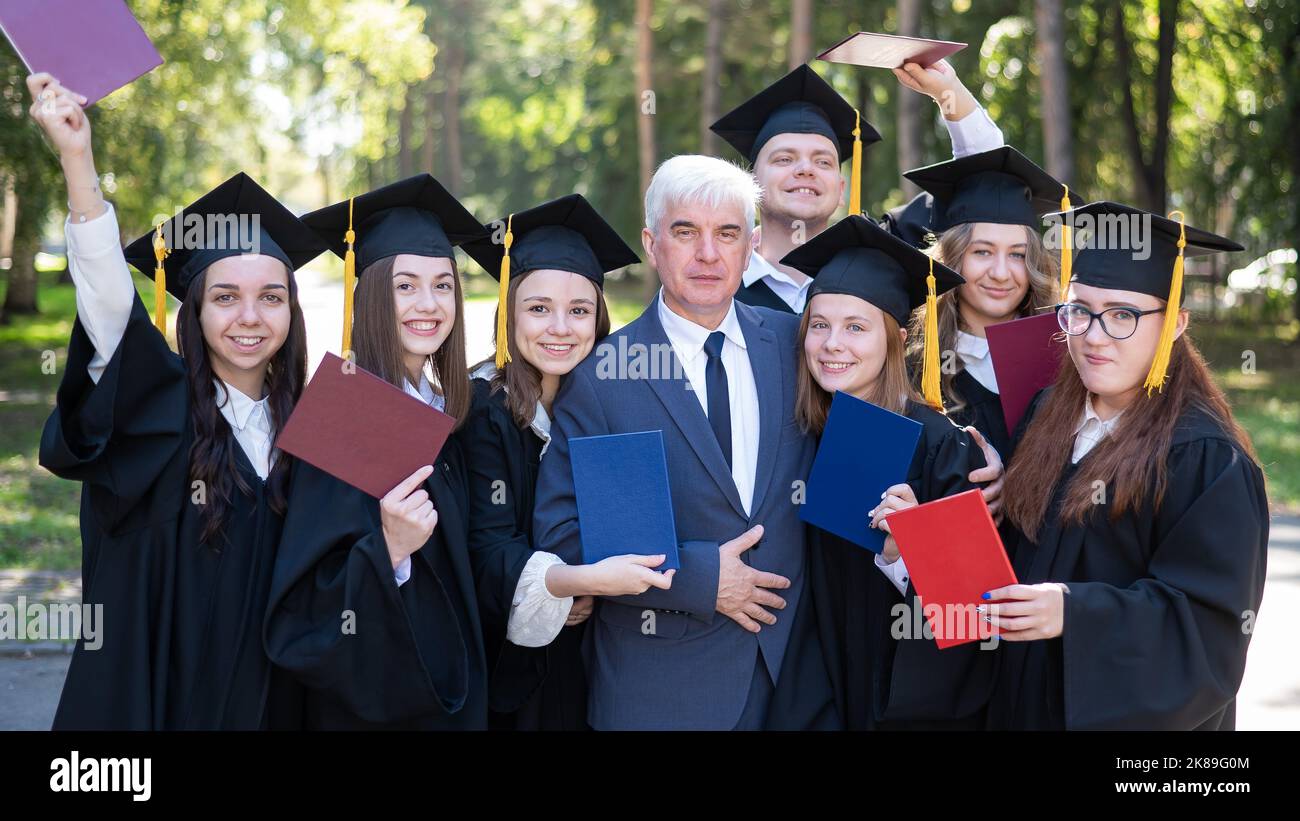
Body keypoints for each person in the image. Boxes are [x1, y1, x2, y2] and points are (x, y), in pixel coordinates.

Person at [29, 72, 324, 729]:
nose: (250, 316)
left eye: (271, 297)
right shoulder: (156, 414)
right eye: (225, 296)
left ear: (291, 310)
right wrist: (79, 161)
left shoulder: (312, 429)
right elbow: (108, 304)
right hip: (163, 706)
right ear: (192, 307)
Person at [532, 155, 837, 730]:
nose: (707, 254)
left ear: (750, 246)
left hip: (796, 682)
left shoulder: (796, 349)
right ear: (652, 243)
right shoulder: (604, 376)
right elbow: (567, 534)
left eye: (726, 234)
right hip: (663, 691)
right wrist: (699, 576)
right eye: (685, 232)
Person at [990, 202, 1269, 730]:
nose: (1094, 335)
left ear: (1176, 325)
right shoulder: (1047, 415)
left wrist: (1076, 613)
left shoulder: (1204, 458)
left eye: (1123, 315)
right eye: (1079, 310)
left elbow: (1206, 629)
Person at [265, 175, 490, 729]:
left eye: (443, 285)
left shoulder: (451, 412)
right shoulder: (341, 414)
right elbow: (303, 607)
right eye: (406, 286)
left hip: (450, 688)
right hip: (369, 703)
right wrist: (387, 550)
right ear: (368, 294)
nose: (429, 304)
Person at [460, 194, 674, 730]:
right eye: (538, 309)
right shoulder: (480, 409)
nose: (560, 327)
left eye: (579, 311)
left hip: (603, 657)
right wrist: (572, 581)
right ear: (508, 312)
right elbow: (485, 549)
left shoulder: (611, 399)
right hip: (510, 668)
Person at [781, 214, 998, 729]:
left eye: (857, 327)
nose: (833, 344)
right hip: (813, 697)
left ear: (896, 339)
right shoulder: (799, 432)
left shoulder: (944, 448)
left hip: (899, 703)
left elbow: (973, 618)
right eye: (820, 325)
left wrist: (907, 558)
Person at [709, 61, 1004, 314]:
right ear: (752, 184)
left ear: (840, 190)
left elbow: (982, 181)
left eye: (822, 162)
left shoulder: (879, 258)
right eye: (784, 158)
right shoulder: (715, 278)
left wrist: (947, 91)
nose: (805, 169)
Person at [903, 146, 1071, 462]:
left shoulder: (1067, 361)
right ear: (952, 259)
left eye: (1018, 255)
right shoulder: (913, 370)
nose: (1000, 273)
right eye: (982, 251)